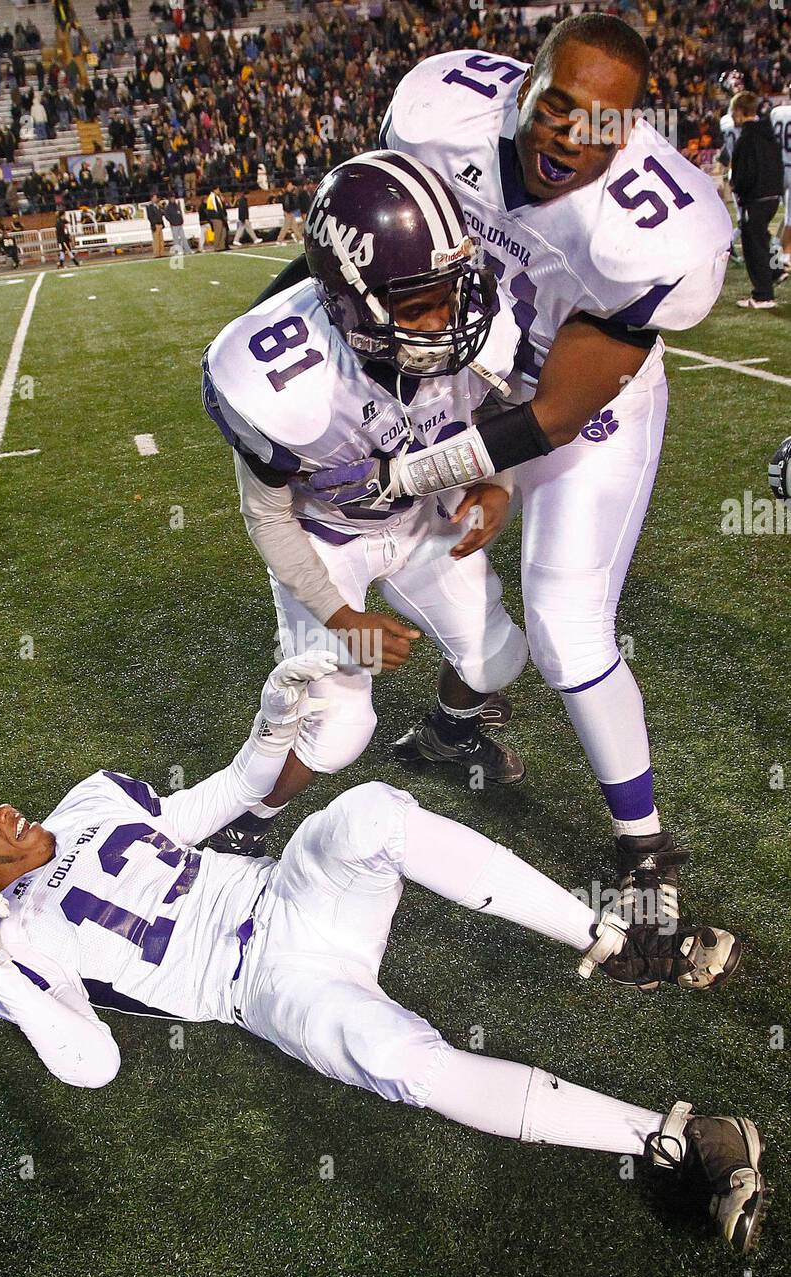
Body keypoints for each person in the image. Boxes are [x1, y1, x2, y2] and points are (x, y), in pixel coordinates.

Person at [0, 653, 761, 1256]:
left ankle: (614, 941)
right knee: (400, 1062)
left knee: (367, 814)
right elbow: (91, 1064)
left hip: (284, 891)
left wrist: (272, 722)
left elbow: (228, 796)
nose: (1, 818)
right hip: (264, 986)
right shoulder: (1, 949)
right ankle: (679, 1140)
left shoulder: (92, 802)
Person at [373, 14, 735, 934]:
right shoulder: (438, 113)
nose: (572, 137)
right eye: (557, 106)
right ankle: (460, 725)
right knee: (437, 566)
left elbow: (555, 414)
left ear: (634, 129)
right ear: (524, 87)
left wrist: (440, 467)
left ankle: (646, 851)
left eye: (602, 125)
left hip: (584, 416)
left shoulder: (657, 234)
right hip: (470, 380)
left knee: (568, 625)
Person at [204, 151, 531, 855]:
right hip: (326, 538)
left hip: (421, 520)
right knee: (342, 730)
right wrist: (342, 616)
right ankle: (243, 823)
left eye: (453, 291)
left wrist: (497, 486)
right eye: (420, 305)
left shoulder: (480, 320)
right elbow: (267, 515)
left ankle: (450, 731)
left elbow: (516, 419)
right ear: (351, 303)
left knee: (497, 659)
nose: (449, 320)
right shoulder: (280, 378)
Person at [730, 91, 784, 309]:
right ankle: (776, 270)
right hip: (772, 195)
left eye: (734, 111)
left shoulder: (747, 138)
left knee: (754, 245)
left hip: (756, 197)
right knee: (762, 236)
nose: (732, 115)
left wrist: (738, 187)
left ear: (741, 112)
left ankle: (763, 295)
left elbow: (744, 174)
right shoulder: (767, 133)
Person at [770, 91, 791, 274]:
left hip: (778, 168)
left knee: (785, 217)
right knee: (790, 218)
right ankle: (783, 259)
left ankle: (776, 252)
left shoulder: (777, 112)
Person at [146, 191, 165, 257]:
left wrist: (162, 223)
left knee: (161, 240)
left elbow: (161, 214)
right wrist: (153, 224)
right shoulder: (149, 207)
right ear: (152, 198)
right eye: (155, 197)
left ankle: (161, 253)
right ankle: (156, 254)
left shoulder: (158, 206)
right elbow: (150, 217)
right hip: (155, 224)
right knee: (156, 240)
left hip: (160, 224)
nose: (156, 199)